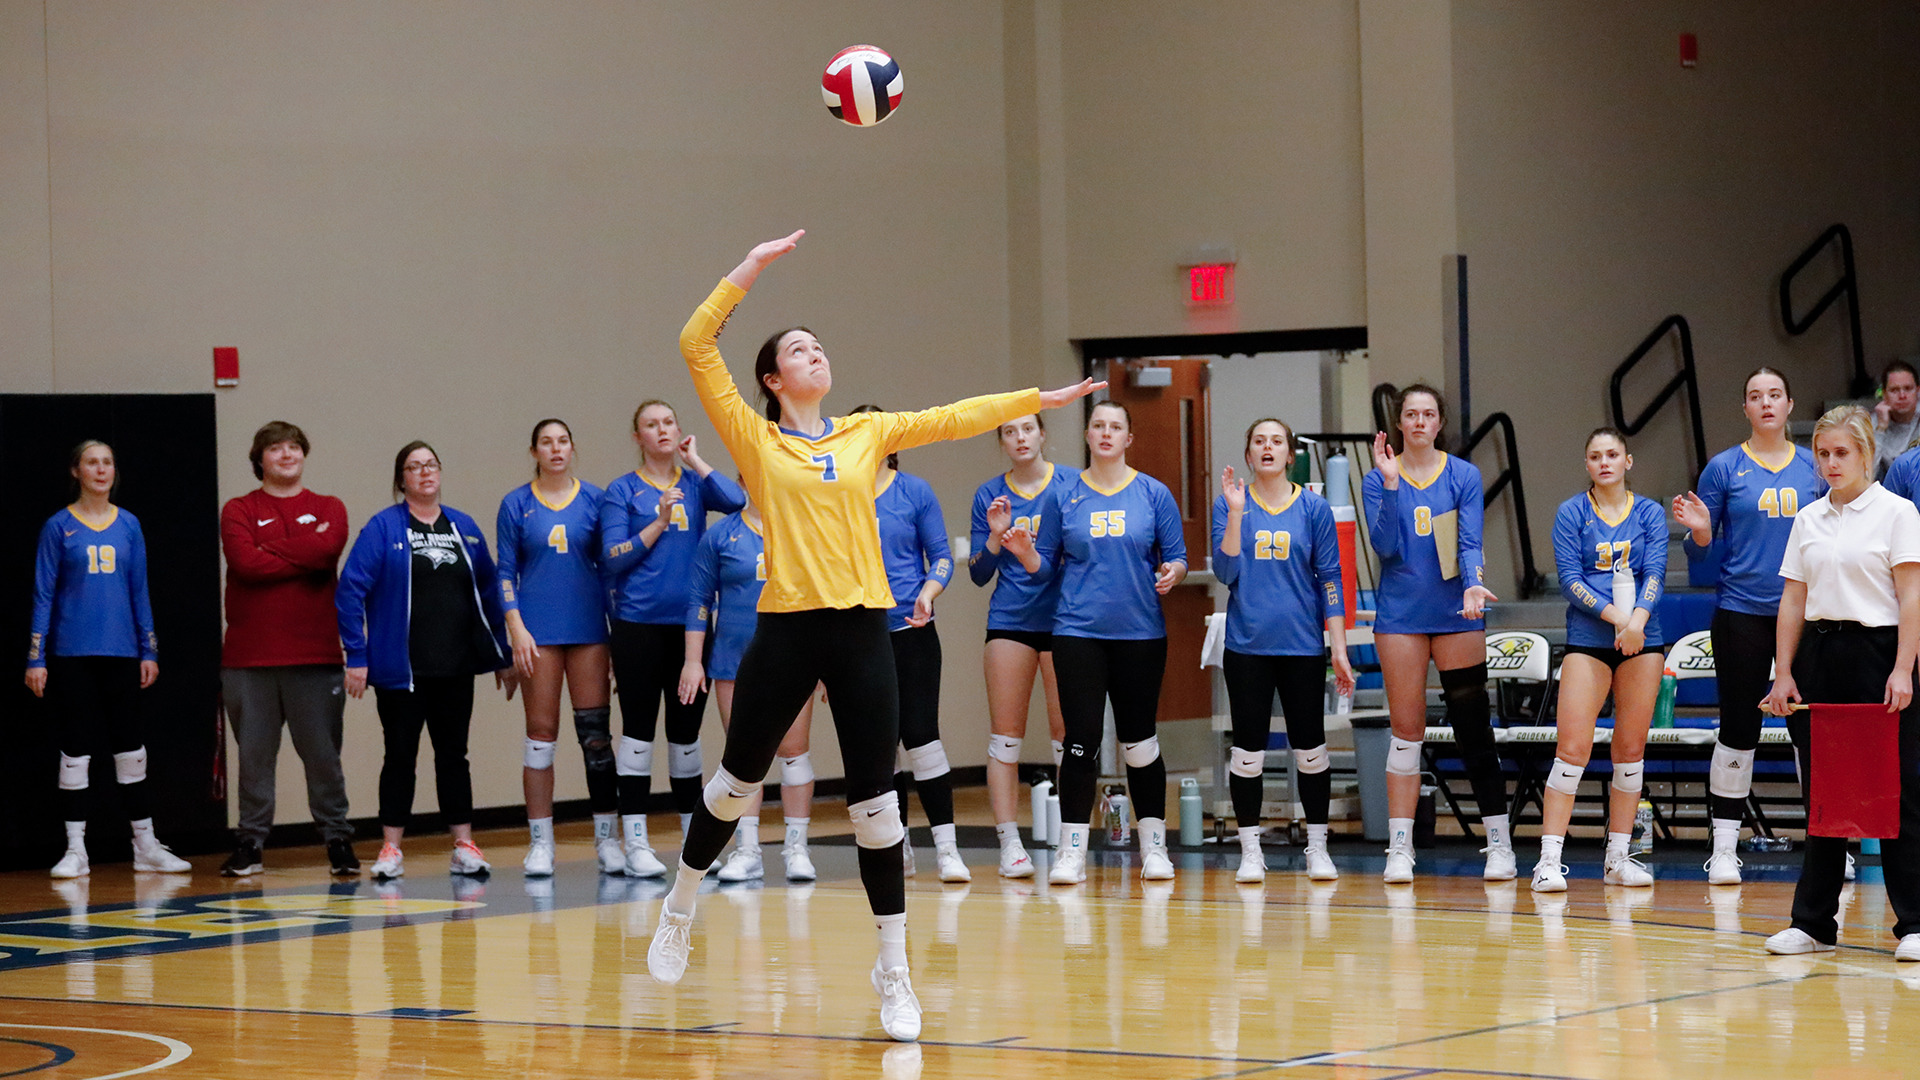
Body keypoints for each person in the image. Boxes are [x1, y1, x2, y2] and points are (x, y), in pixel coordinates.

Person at [647, 228, 1101, 1045]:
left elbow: (955, 418)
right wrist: (752, 269)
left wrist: (1035, 401)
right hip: (784, 632)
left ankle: (893, 970)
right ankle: (680, 906)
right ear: (771, 379)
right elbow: (692, 341)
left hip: (865, 631)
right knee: (733, 782)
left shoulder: (867, 434)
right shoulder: (756, 438)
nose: (815, 355)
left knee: (875, 807)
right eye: (798, 349)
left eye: (820, 346)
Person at [1761, 405, 1920, 962]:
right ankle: (1813, 924)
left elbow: (1911, 598)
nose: (1830, 463)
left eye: (1841, 453)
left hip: (1879, 656)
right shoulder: (1807, 519)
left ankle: (1916, 922)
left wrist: (1904, 667)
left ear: (1866, 452)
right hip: (1820, 657)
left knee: (1899, 789)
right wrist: (1784, 671)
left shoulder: (1898, 513)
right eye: (1822, 454)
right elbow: (1793, 601)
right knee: (1824, 794)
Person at [1013, 401, 1187, 887]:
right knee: (1080, 741)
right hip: (1076, 633)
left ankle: (1154, 847)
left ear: (1129, 438)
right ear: (1087, 435)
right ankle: (1072, 852)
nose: (1107, 433)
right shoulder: (1063, 496)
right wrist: (1028, 554)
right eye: (1098, 426)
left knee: (1139, 741)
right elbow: (1046, 567)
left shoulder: (1154, 494)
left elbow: (1176, 557)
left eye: (1116, 427)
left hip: (1140, 634)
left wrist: (1173, 573)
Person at [1672, 368, 1823, 884]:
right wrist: (1697, 534)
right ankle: (1724, 848)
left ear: (1789, 404)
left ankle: (1828, 848)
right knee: (1740, 727)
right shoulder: (1723, 468)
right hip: (1741, 613)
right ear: (1745, 408)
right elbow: (1700, 553)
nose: (1766, 403)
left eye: (1775, 395)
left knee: (1810, 730)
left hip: (1807, 615)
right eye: (1755, 396)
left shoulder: (1814, 467)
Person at [337, 441, 515, 880]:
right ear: (402, 480)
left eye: (431, 465)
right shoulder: (383, 528)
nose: (424, 473)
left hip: (454, 668)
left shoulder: (464, 528)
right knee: (399, 756)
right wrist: (357, 656)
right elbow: (349, 591)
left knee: (454, 756)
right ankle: (391, 850)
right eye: (414, 468)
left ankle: (464, 844)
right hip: (402, 672)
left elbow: (491, 594)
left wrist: (502, 655)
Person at [1363, 384, 1513, 883]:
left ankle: (1499, 845)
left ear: (1439, 422)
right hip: (1401, 617)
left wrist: (1474, 585)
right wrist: (1389, 484)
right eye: (1411, 414)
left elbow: (1469, 539)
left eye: (1429, 413)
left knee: (1474, 729)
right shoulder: (1377, 477)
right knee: (1407, 733)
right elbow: (1384, 547)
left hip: (1455, 612)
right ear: (1400, 423)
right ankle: (1400, 848)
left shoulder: (1463, 475)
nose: (1421, 421)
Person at [26, 440, 190, 878]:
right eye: (91, 463)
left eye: (108, 463)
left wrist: (148, 647)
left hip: (122, 651)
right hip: (72, 652)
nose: (101, 470)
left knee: (130, 750)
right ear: (76, 471)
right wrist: (35, 657)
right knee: (76, 750)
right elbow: (43, 593)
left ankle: (146, 845)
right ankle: (76, 849)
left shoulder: (129, 525)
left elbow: (139, 589)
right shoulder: (58, 527)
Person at [601, 401, 746, 876]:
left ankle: (693, 839)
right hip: (638, 626)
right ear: (637, 436)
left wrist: (697, 462)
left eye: (668, 423)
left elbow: (739, 501)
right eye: (651, 425)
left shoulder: (694, 484)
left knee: (686, 738)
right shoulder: (622, 490)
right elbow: (613, 556)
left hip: (693, 628)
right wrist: (658, 522)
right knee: (639, 734)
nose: (661, 430)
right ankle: (636, 841)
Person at [1213, 418, 1354, 883]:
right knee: (1248, 752)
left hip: (1301, 647)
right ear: (1249, 454)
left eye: (1277, 441)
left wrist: (1338, 648)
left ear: (1290, 454)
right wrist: (1235, 514)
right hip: (1248, 646)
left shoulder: (1313, 509)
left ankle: (1318, 848)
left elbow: (1331, 579)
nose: (1268, 448)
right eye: (1259, 441)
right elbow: (1226, 573)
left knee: (1310, 749)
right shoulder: (1231, 503)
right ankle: (1250, 850)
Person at [1531, 428, 1666, 893]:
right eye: (1595, 456)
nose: (1604, 462)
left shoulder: (1648, 511)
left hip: (1643, 638)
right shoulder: (1571, 512)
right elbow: (1569, 578)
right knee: (1572, 751)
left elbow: (1657, 572)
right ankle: (1549, 861)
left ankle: (1618, 858)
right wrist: (1617, 619)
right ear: (1586, 464)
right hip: (1590, 639)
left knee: (1630, 753)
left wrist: (1637, 621)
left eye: (1613, 454)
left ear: (1628, 461)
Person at [219, 421, 356, 878]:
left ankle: (337, 840)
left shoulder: (329, 507)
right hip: (249, 658)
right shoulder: (238, 509)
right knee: (254, 759)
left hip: (315, 656)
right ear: (260, 459)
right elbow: (245, 562)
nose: (286, 455)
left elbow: (327, 549)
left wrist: (271, 548)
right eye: (275, 449)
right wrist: (303, 549)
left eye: (294, 447)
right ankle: (250, 844)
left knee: (323, 757)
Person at [497, 419, 621, 877]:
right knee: (540, 738)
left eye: (563, 441)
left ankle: (607, 841)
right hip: (537, 634)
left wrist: (617, 635)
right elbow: (504, 571)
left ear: (572, 448)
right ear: (534, 451)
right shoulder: (516, 503)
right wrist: (516, 629)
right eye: (546, 442)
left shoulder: (595, 499)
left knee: (596, 739)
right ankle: (540, 843)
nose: (555, 449)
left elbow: (609, 569)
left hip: (588, 629)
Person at [852, 403, 966, 883]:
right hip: (859, 638)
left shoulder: (914, 492)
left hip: (912, 631)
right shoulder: (841, 496)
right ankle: (897, 849)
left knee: (922, 738)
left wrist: (928, 591)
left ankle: (947, 849)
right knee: (880, 747)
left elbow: (941, 556)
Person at [678, 496, 819, 883]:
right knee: (742, 758)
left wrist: (826, 657)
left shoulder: (799, 523)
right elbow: (699, 601)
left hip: (793, 655)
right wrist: (693, 660)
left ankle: (797, 847)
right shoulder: (721, 534)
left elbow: (819, 591)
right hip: (732, 658)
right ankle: (747, 849)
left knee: (794, 754)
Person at [969, 413, 1074, 878]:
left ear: (1043, 434)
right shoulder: (989, 495)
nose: (1020, 438)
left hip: (1066, 621)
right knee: (1005, 740)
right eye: (1009, 432)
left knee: (1067, 738)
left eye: (1027, 429)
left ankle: (1072, 841)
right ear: (1001, 443)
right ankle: (1010, 843)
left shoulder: (1071, 485)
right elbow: (977, 573)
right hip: (1011, 619)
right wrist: (995, 538)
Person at [1873, 360, 1920, 479]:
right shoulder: (1873, 424)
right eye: (1894, 390)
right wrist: (1881, 429)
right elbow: (1867, 477)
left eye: (1908, 388)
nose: (1902, 396)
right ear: (1884, 394)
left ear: (1918, 391)